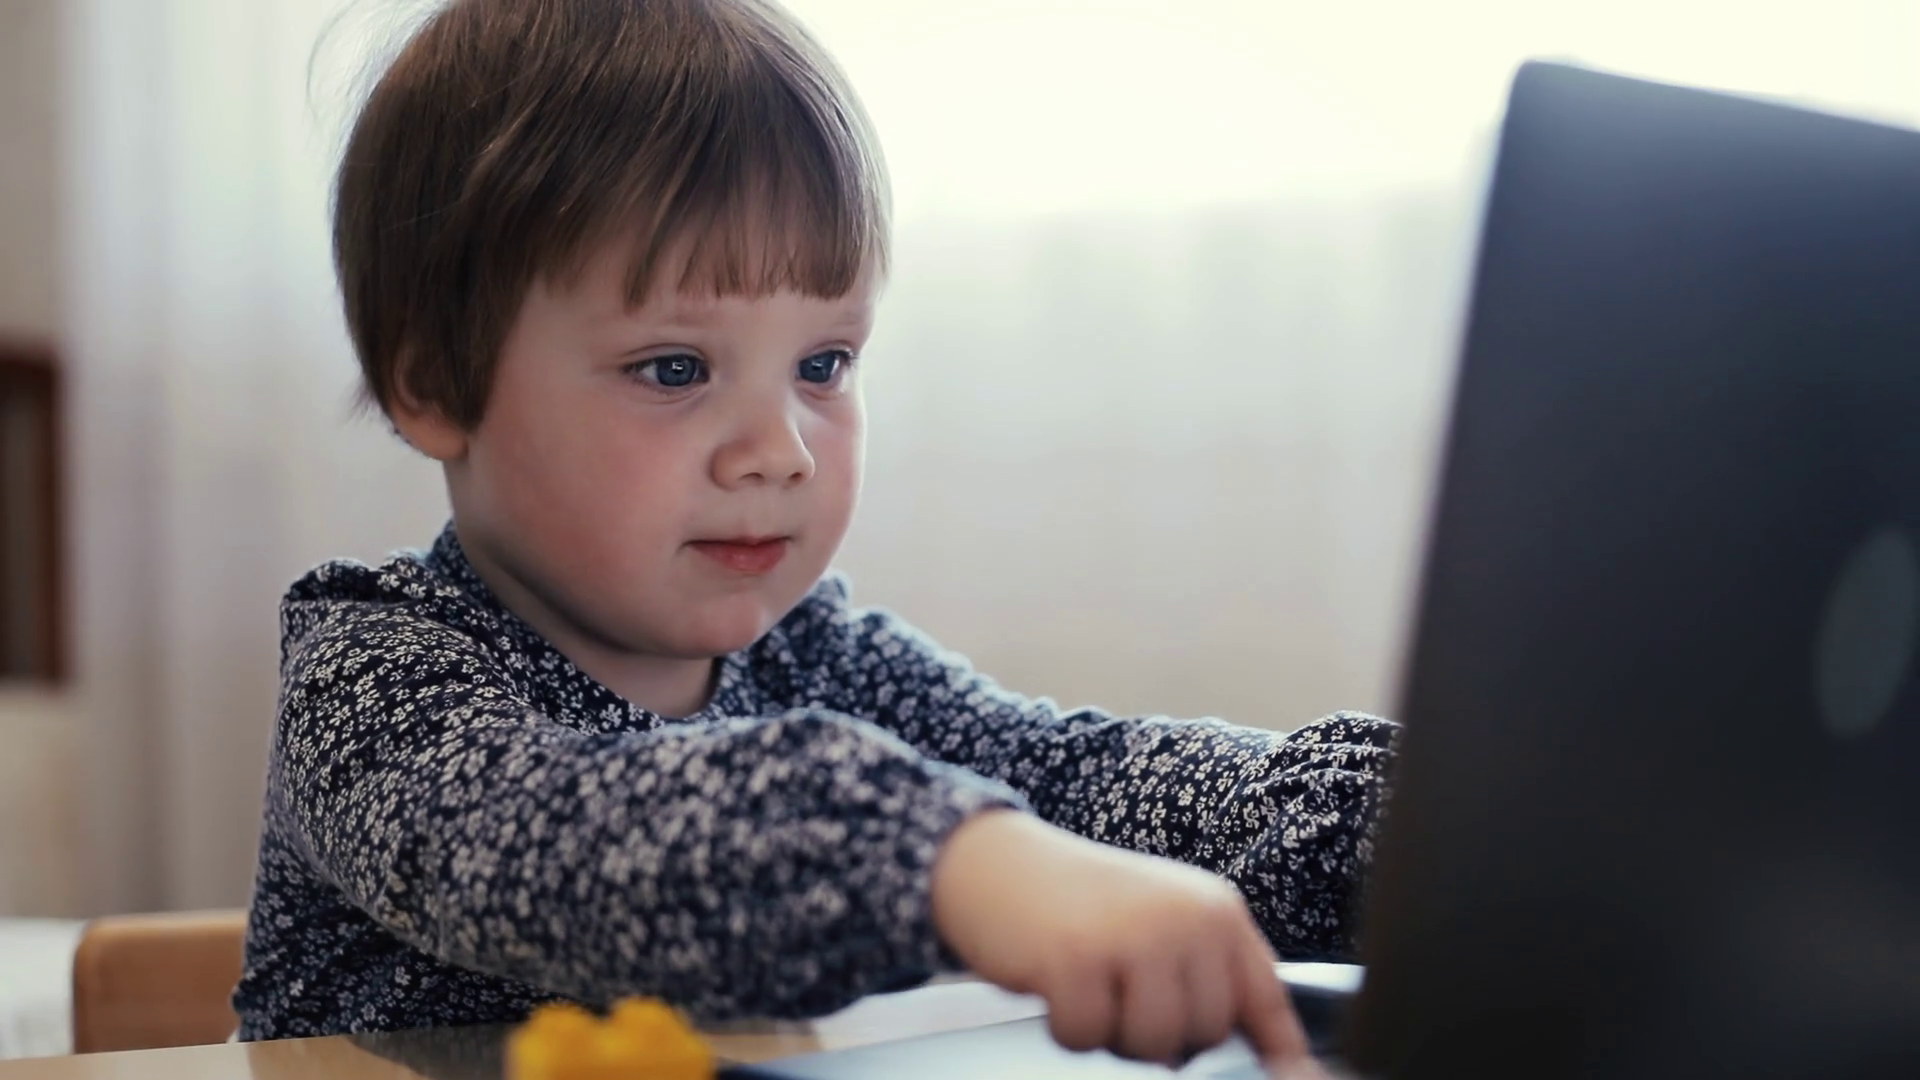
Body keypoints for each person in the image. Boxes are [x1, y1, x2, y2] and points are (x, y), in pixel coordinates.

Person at [231, 0, 1400, 1071]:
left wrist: (1403, 819)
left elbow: (1073, 780)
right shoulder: (370, 677)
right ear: (435, 383)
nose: (779, 450)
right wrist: (953, 860)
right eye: (675, 368)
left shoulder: (818, 660)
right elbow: (553, 843)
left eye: (824, 364)